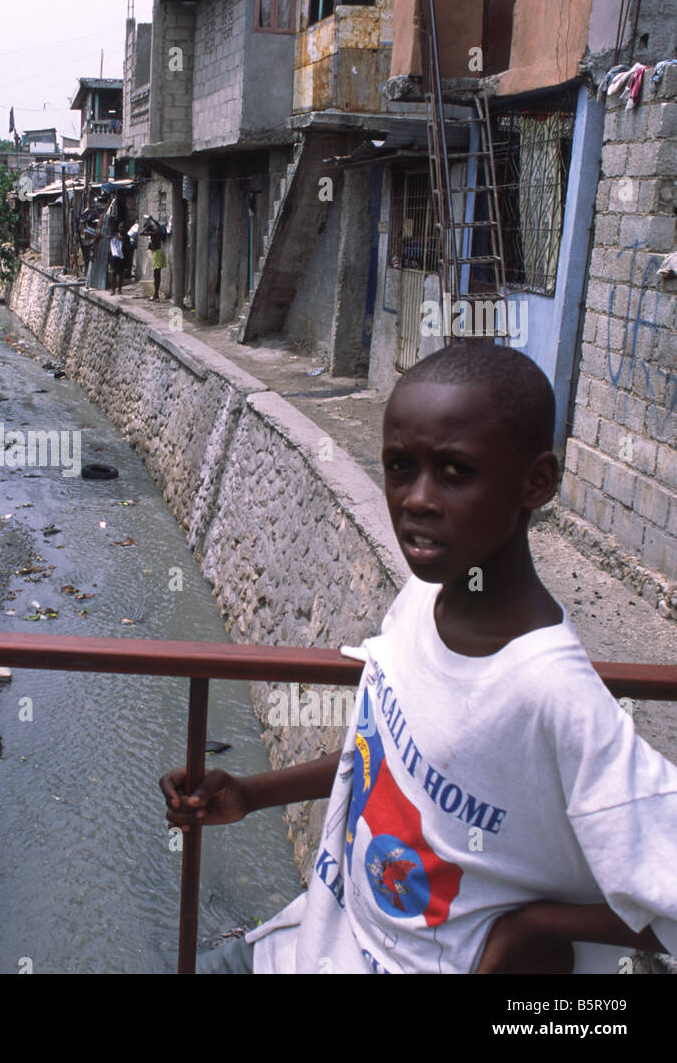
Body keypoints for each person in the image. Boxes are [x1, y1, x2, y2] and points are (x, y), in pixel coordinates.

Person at [161, 342, 677, 973]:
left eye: (455, 471)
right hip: (314, 941)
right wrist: (251, 794)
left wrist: (532, 932)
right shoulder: (420, 600)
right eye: (400, 467)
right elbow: (385, 757)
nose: (418, 499)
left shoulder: (553, 692)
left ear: (535, 482)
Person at [142, 217, 167, 300]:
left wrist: (147, 226)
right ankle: (156, 294)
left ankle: (156, 294)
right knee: (157, 274)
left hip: (157, 253)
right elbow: (159, 226)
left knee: (156, 275)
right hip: (159, 252)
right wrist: (153, 220)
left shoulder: (153, 233)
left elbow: (141, 233)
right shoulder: (156, 232)